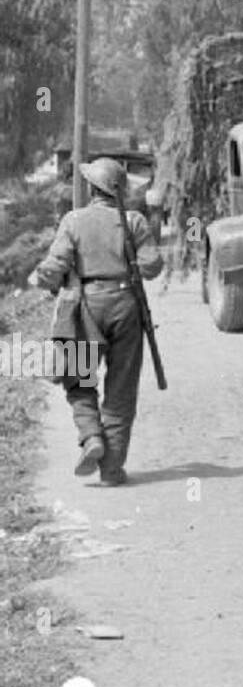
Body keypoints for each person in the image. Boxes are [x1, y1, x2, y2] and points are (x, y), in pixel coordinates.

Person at [30, 157, 163, 485]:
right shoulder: (133, 221)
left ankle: (91, 437)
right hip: (127, 307)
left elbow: (54, 266)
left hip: (85, 309)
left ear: (92, 188)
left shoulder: (73, 221)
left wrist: (45, 279)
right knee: (121, 390)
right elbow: (152, 268)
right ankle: (112, 470)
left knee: (79, 380)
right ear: (119, 191)